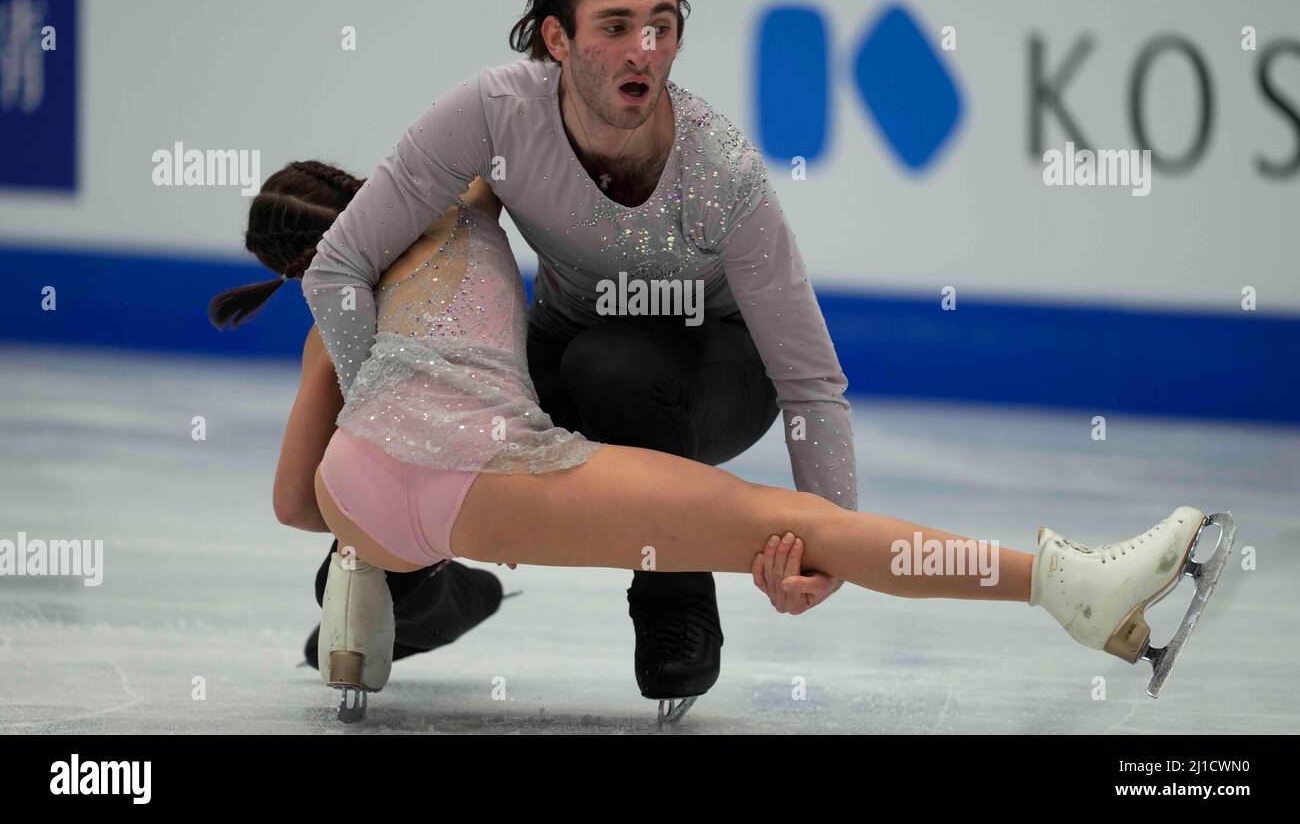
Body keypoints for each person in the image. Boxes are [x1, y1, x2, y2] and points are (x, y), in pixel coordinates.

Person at [300, 165, 1232, 721]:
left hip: (356, 490)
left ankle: (361, 596)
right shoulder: (454, 201)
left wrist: (374, 519)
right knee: (795, 523)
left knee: (392, 518)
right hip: (484, 471)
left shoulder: (336, 304)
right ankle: (1064, 587)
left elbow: (291, 501)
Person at [301, 0, 859, 716]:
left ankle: (675, 603)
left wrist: (832, 536)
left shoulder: (721, 171)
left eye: (663, 24)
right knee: (486, 378)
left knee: (620, 364)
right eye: (616, 25)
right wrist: (390, 417)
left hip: (716, 372)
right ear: (557, 39)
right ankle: (422, 586)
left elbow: (810, 381)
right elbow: (340, 266)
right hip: (563, 353)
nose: (646, 48)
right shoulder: (497, 112)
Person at [207, 160, 505, 674]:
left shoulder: (330, 334)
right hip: (538, 452)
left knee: (347, 575)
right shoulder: (458, 225)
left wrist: (379, 520)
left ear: (299, 272)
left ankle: (435, 583)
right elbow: (497, 164)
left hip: (438, 507)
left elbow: (293, 504)